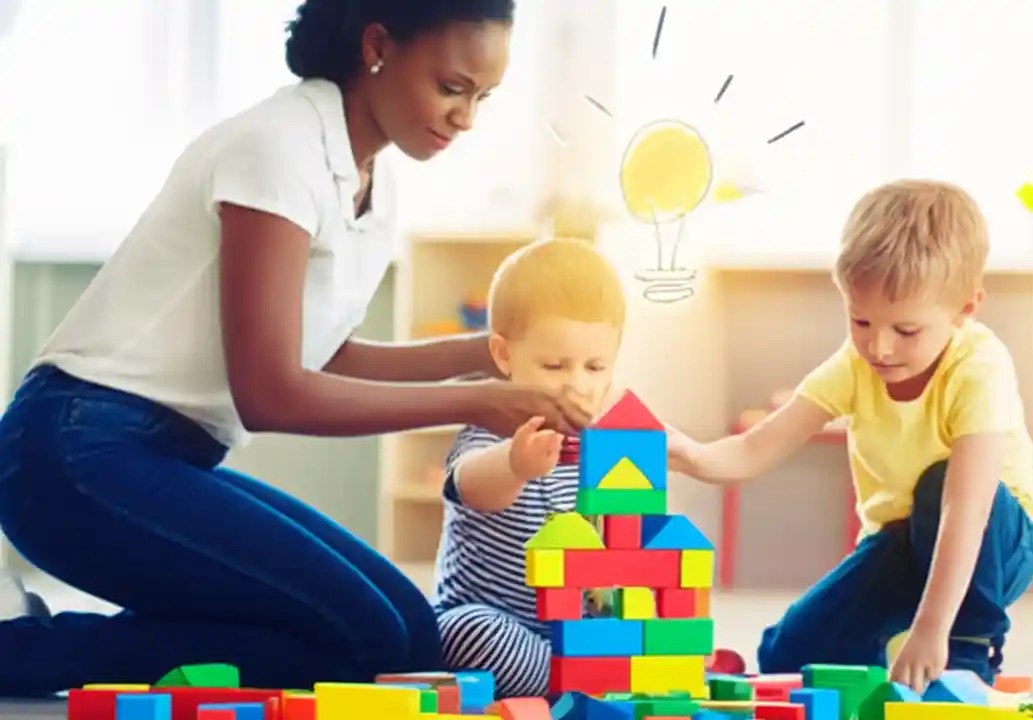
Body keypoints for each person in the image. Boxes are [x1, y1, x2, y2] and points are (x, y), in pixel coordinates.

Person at [0, 0, 593, 696]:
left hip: (158, 456)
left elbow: (330, 355)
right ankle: (27, 652)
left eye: (482, 98)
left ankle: (76, 641)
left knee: (405, 632)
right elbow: (272, 391)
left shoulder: (373, 179)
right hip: (72, 456)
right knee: (361, 640)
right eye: (452, 87)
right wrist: (480, 399)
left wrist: (496, 354)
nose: (465, 117)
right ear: (378, 46)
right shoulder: (280, 147)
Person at [667, 180, 1033, 693]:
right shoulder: (854, 364)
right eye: (860, 321)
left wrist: (933, 630)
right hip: (900, 543)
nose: (880, 347)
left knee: (942, 484)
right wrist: (679, 450)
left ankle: (968, 650)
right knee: (786, 654)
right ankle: (887, 667)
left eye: (906, 331)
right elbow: (753, 450)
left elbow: (967, 508)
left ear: (965, 308)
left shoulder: (980, 366)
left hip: (998, 540)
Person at [430, 238, 626, 698]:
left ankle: (595, 681)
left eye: (596, 367)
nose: (577, 384)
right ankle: (573, 689)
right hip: (501, 622)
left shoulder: (604, 449)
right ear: (504, 355)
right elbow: (470, 485)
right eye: (554, 365)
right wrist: (515, 465)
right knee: (465, 632)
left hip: (577, 629)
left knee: (650, 620)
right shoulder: (491, 430)